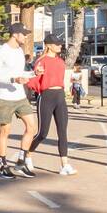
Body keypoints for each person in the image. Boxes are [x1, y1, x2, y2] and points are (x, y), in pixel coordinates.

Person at [0, 23, 37, 179]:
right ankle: (3, 166)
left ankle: (21, 162)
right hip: (5, 97)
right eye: (23, 34)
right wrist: (14, 79)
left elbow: (21, 73)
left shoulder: (19, 51)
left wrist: (33, 73)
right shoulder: (1, 52)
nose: (25, 36)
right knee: (5, 131)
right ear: (15, 35)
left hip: (20, 97)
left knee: (31, 127)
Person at [27, 35, 76, 175]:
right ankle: (28, 154)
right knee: (43, 133)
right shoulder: (41, 61)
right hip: (46, 97)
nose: (60, 46)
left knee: (62, 132)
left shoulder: (60, 61)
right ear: (49, 45)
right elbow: (33, 81)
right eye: (57, 44)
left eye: (60, 44)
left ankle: (64, 165)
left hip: (60, 96)